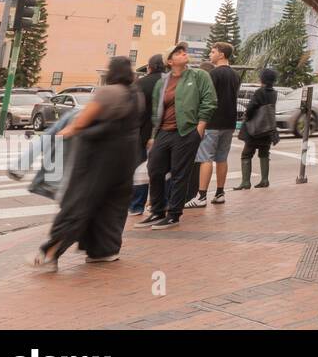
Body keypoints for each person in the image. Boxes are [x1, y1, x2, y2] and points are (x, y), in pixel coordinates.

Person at [30, 56, 147, 270]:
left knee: (80, 201)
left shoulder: (108, 92)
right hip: (126, 157)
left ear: (111, 72)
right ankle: (104, 250)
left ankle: (51, 252)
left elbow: (81, 122)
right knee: (113, 205)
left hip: (99, 156)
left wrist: (66, 131)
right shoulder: (136, 94)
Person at [139, 43, 215, 229]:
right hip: (164, 132)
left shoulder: (199, 76)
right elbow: (157, 111)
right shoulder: (162, 82)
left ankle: (173, 214)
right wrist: (153, 135)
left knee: (179, 174)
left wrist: (200, 127)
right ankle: (157, 211)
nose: (184, 54)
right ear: (170, 61)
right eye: (178, 53)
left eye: (184, 52)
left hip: (186, 131)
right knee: (154, 169)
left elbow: (209, 101)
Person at [187, 41, 241, 208]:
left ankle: (201, 195)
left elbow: (207, 99)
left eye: (213, 52)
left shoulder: (213, 74)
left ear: (221, 55)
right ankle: (219, 193)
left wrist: (201, 122)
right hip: (229, 122)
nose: (210, 55)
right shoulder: (235, 75)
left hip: (213, 122)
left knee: (205, 158)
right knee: (222, 158)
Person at [129, 55, 165, 215]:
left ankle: (137, 205)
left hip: (143, 132)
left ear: (149, 67)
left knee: (140, 169)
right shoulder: (170, 81)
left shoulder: (141, 83)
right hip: (165, 132)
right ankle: (160, 203)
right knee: (162, 170)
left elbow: (134, 110)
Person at [234, 68, 279, 189]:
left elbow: (251, 107)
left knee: (246, 154)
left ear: (262, 79)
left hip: (255, 129)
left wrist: (246, 116)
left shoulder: (260, 92)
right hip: (268, 128)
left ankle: (245, 182)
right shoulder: (274, 93)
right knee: (264, 153)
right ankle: (264, 180)